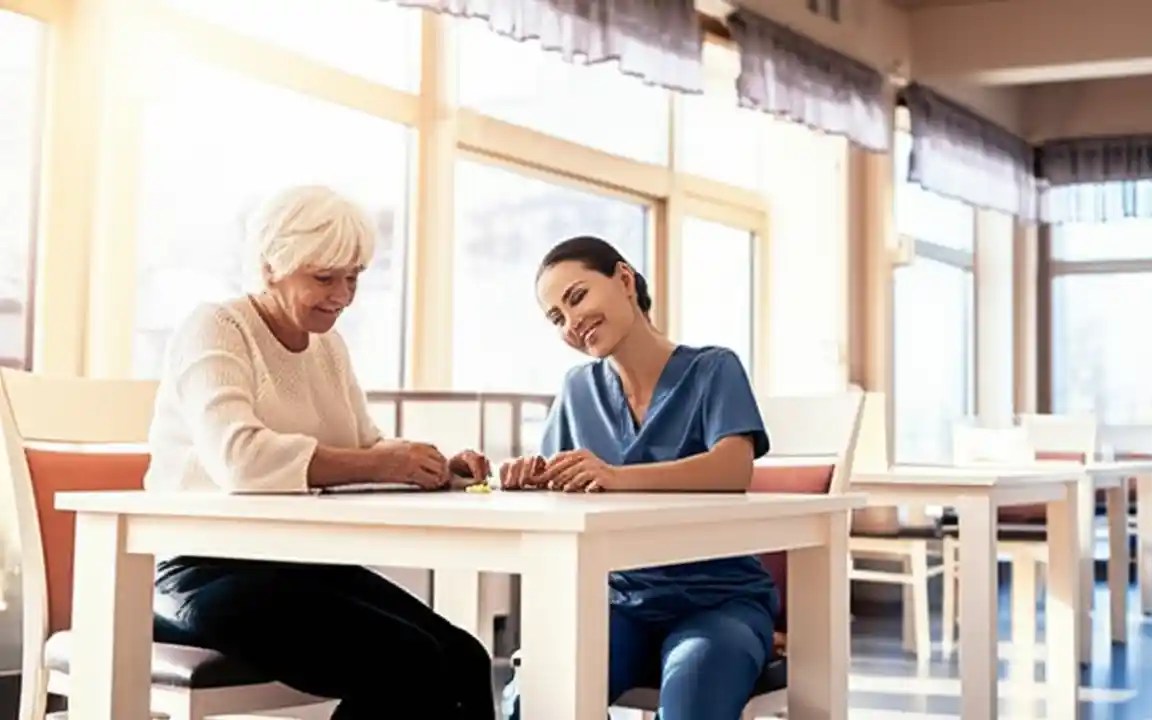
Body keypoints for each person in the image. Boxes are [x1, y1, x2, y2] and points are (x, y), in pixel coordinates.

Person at [145, 185, 496, 719]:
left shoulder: (327, 345)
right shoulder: (216, 327)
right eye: (324, 278)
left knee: (466, 659)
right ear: (270, 268)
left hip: (302, 566)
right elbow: (241, 458)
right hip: (204, 572)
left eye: (353, 277)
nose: (343, 295)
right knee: (409, 663)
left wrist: (432, 468)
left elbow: (364, 447)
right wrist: (383, 462)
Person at [499, 236, 776, 720]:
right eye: (557, 318)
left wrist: (615, 476)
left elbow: (733, 467)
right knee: (537, 695)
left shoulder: (714, 369)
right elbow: (563, 485)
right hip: (619, 603)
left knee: (694, 687)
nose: (571, 322)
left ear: (624, 280)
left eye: (578, 296)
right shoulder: (577, 389)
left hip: (717, 602)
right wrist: (532, 479)